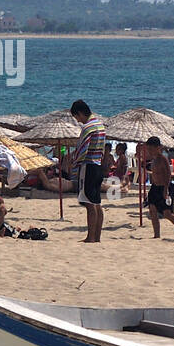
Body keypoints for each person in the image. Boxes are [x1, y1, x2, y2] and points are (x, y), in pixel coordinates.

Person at [70, 99, 105, 242]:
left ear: (79, 113)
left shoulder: (88, 127)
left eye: (76, 117)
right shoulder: (100, 125)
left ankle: (90, 237)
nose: (78, 121)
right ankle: (96, 237)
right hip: (98, 165)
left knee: (89, 203)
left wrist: (74, 164)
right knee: (96, 202)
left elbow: (82, 149)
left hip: (88, 166)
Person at [144, 136, 174, 239]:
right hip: (155, 187)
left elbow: (168, 175)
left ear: (158, 147)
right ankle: (156, 235)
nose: (149, 151)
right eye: (148, 149)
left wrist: (166, 190)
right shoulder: (154, 159)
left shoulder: (163, 159)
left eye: (151, 149)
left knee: (167, 213)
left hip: (165, 187)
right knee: (152, 211)